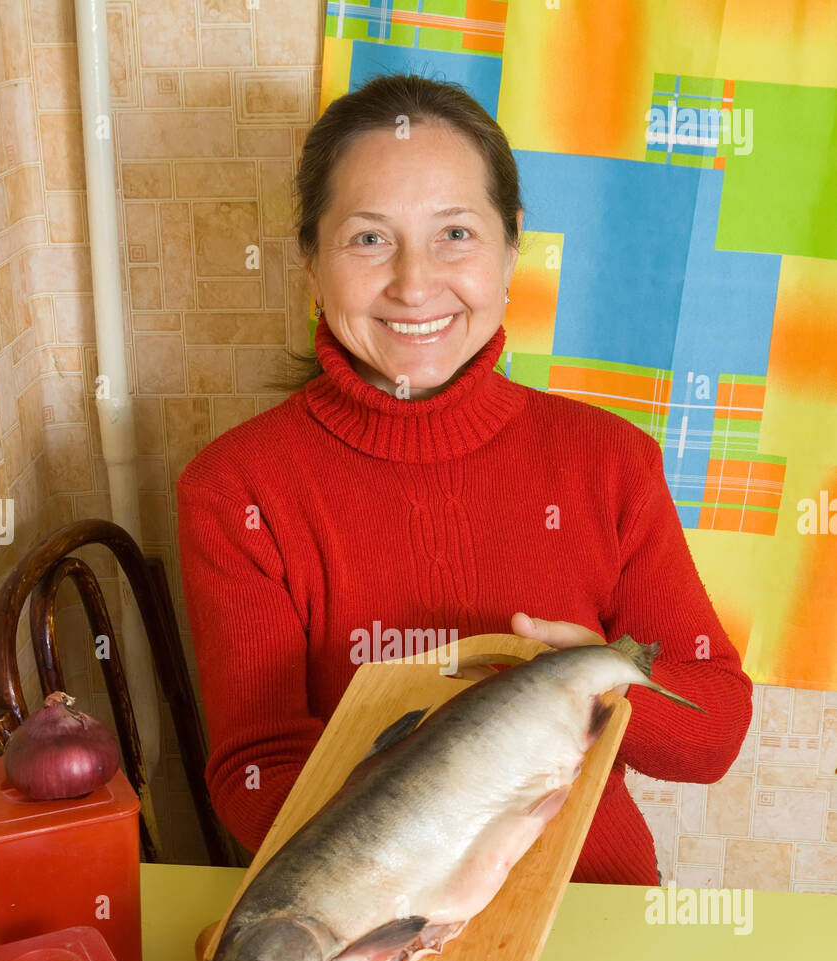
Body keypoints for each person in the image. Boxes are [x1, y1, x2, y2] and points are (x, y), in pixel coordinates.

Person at [176, 74, 752, 887]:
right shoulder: (236, 488)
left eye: (455, 233)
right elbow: (256, 772)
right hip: (372, 919)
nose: (415, 284)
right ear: (311, 258)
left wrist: (601, 680)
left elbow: (715, 732)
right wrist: (435, 870)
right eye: (369, 240)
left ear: (512, 244)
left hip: (592, 904)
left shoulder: (610, 460)